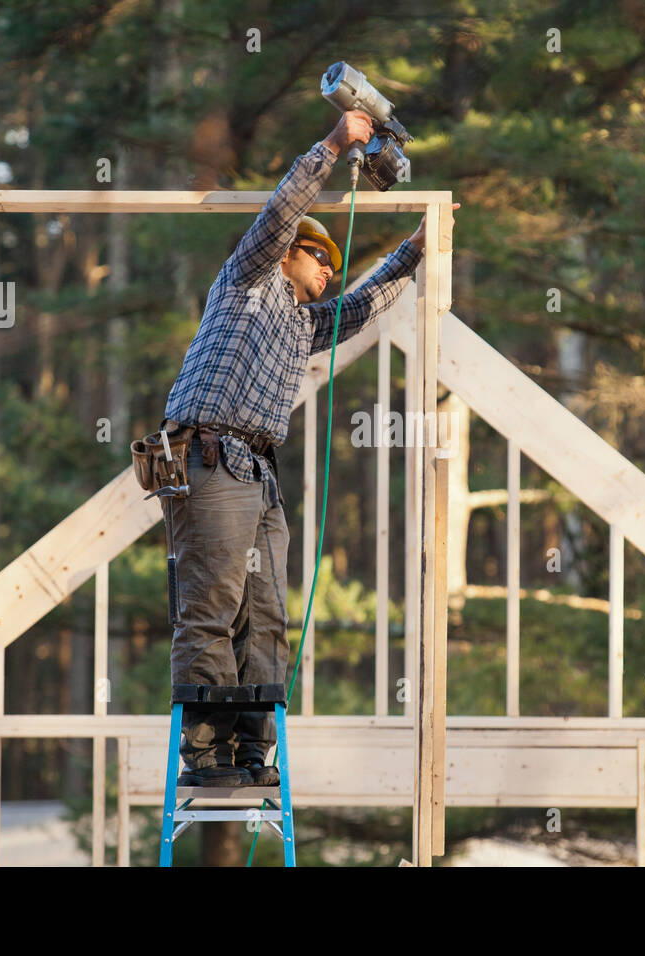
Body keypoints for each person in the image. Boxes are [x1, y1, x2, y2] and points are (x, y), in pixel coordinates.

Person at [159, 109, 458, 786]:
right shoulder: (247, 283)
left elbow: (366, 304)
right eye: (316, 254)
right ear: (287, 252)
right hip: (207, 457)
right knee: (211, 605)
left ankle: (251, 752)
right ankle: (206, 756)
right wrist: (334, 145)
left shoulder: (299, 325)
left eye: (332, 261)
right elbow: (280, 210)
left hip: (256, 475)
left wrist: (415, 250)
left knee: (263, 617)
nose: (327, 268)